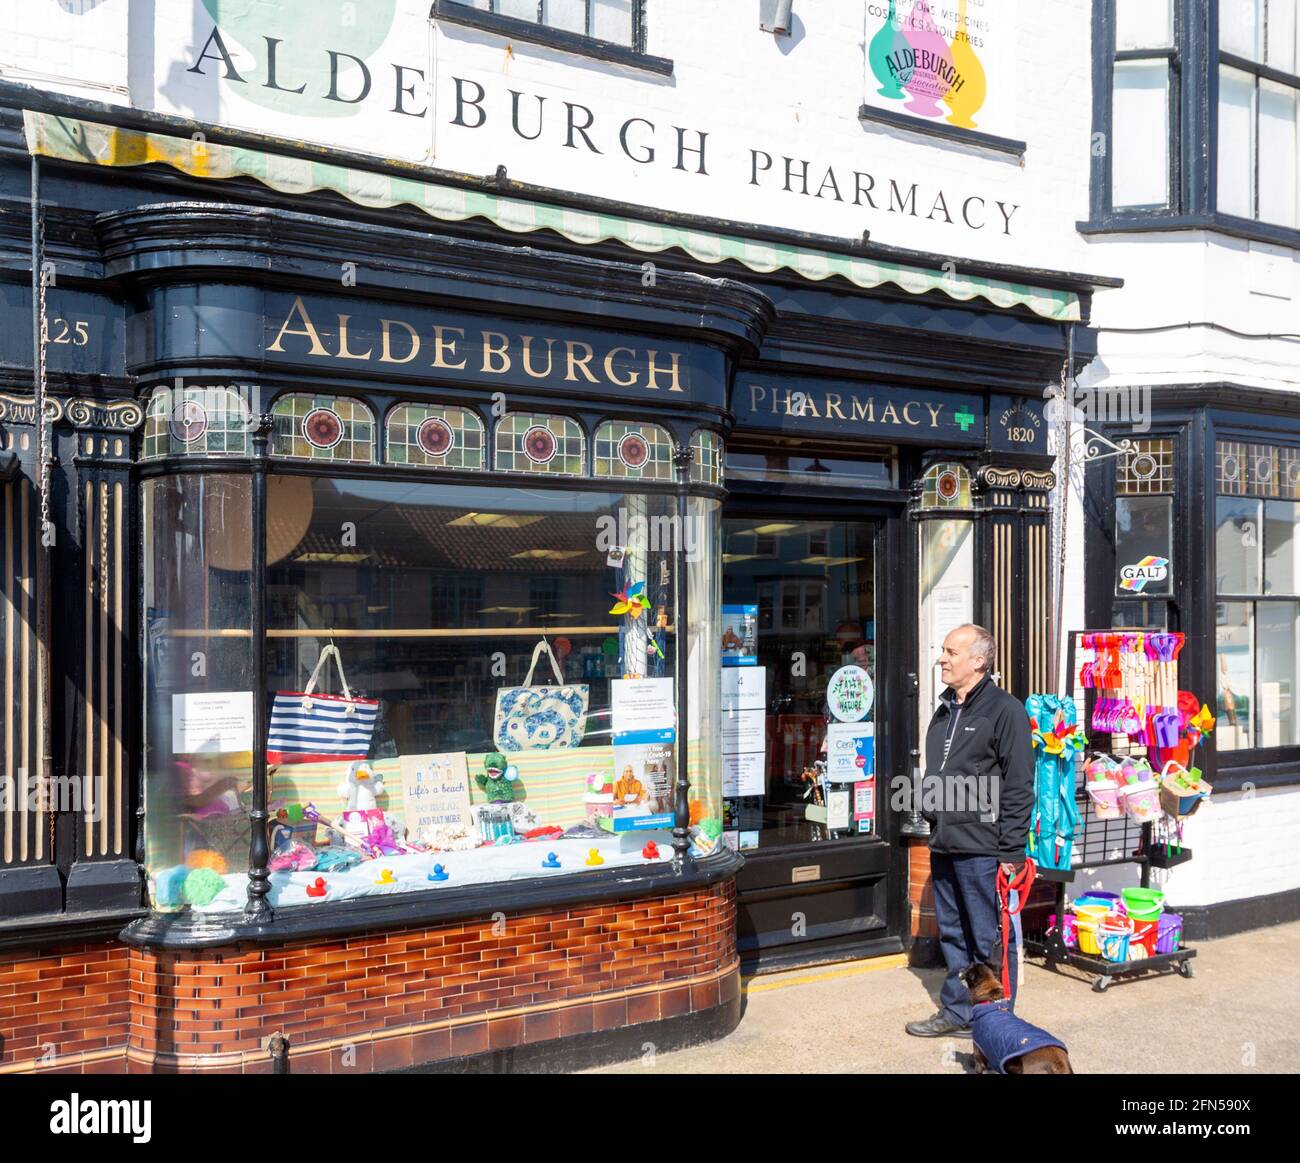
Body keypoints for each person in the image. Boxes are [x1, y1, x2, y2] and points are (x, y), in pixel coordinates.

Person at [905, 624, 1034, 1039]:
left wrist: (1012, 851)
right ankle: (958, 1012)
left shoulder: (1005, 710)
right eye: (942, 651)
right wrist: (930, 812)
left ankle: (995, 1021)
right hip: (945, 843)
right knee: (954, 935)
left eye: (951, 652)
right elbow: (938, 772)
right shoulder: (945, 710)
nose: (942, 658)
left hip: (985, 849)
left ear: (978, 661)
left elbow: (1018, 784)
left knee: (987, 939)